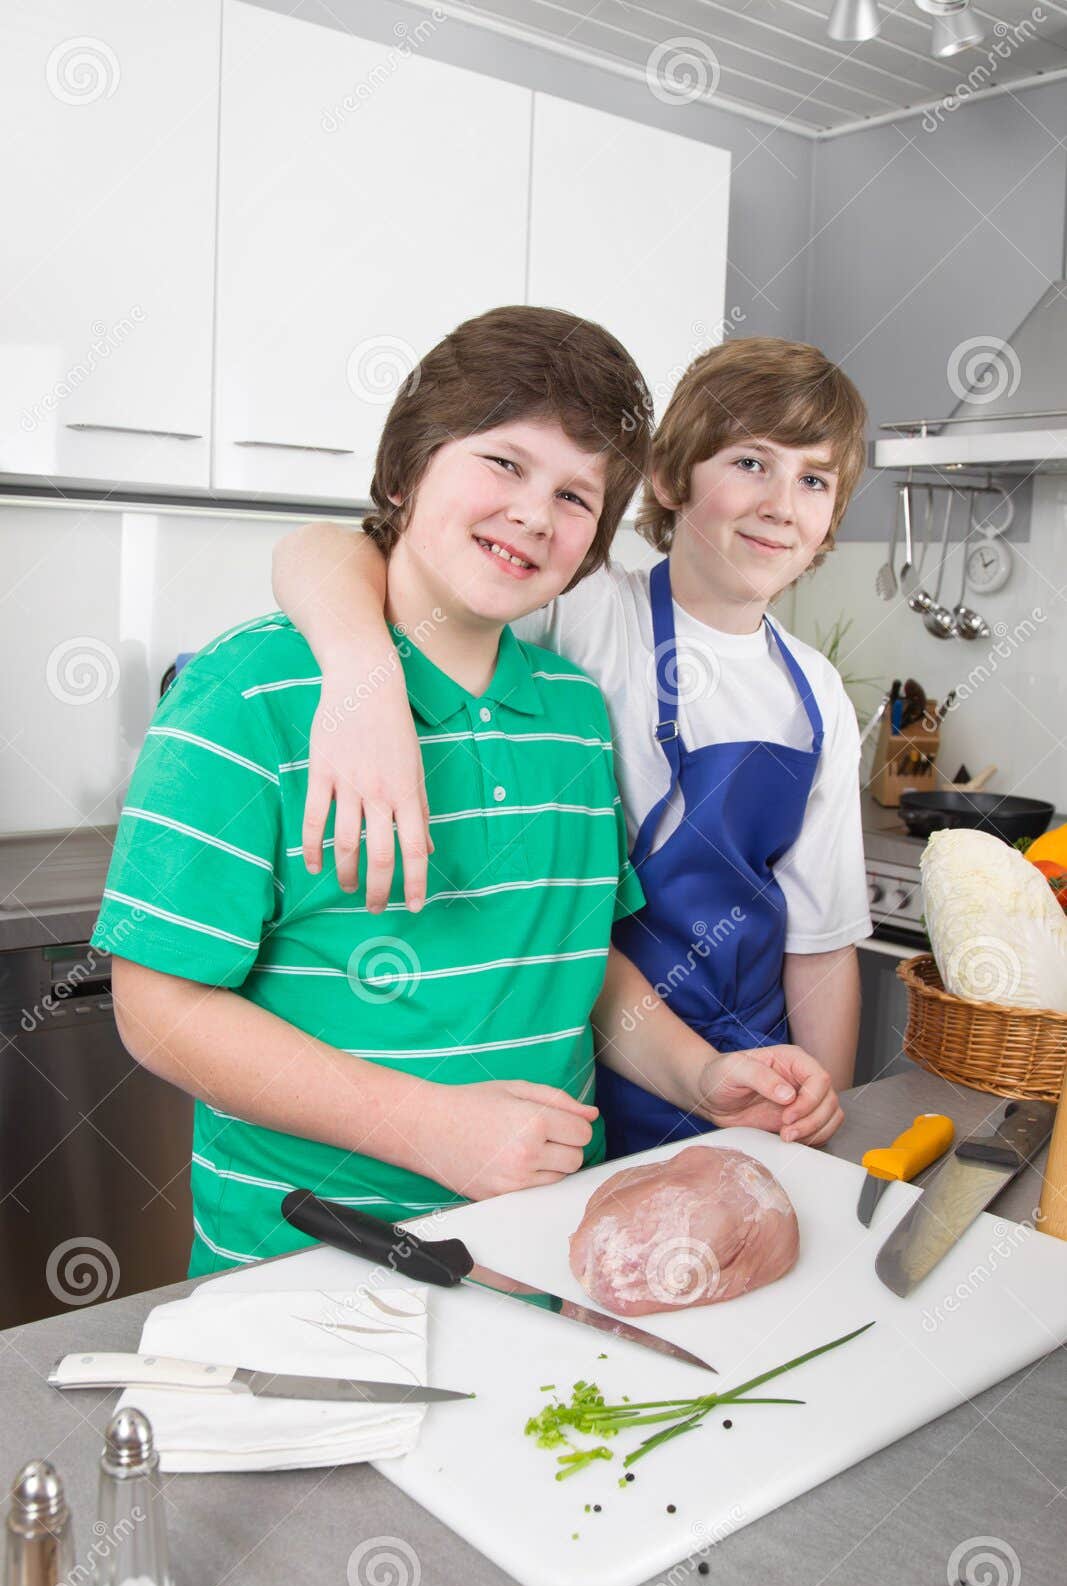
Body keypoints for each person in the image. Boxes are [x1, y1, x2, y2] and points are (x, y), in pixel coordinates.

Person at [92, 309, 841, 1275]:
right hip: (302, 1272)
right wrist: (425, 1127)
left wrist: (699, 1073)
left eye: (576, 495)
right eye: (503, 464)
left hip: (547, 1262)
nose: (535, 513)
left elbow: (580, 965)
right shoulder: (248, 695)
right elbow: (156, 1006)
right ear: (405, 473)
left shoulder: (572, 713)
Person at [271, 335, 869, 1160]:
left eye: (813, 479)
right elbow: (331, 550)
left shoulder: (816, 695)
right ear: (668, 477)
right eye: (749, 463)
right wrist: (357, 673)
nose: (780, 503)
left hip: (740, 1072)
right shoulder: (579, 607)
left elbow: (821, 938)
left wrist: (813, 1124)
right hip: (564, 1051)